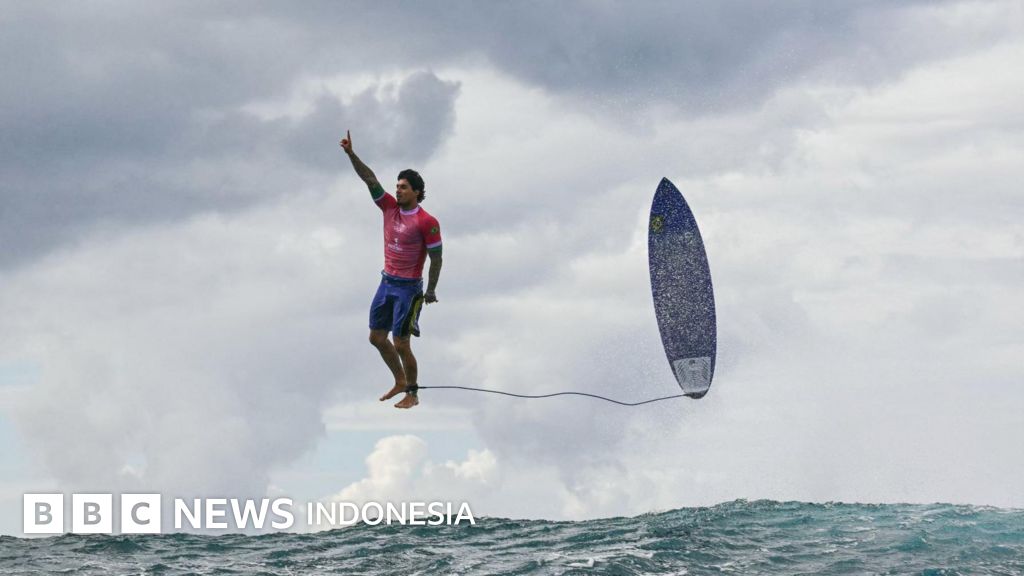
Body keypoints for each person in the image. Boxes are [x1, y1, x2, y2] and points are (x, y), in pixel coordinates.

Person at [340, 130, 442, 409]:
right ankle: (399, 380)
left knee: (401, 342)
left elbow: (437, 258)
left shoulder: (427, 221)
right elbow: (370, 179)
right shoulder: (388, 208)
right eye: (397, 186)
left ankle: (412, 392)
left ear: (417, 192)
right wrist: (351, 154)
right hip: (386, 282)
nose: (398, 190)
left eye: (404, 187)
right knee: (376, 337)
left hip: (409, 289)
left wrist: (431, 290)